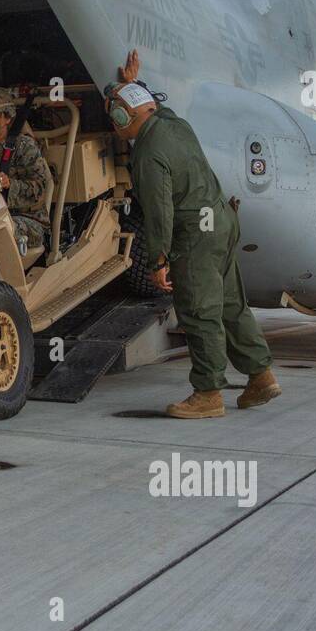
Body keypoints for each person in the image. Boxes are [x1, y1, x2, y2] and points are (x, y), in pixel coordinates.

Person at [108, 50, 279, 418]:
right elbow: (151, 106)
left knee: (200, 312)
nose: (114, 122)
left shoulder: (147, 154)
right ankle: (260, 376)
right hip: (221, 221)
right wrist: (132, 84)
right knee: (232, 306)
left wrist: (158, 259)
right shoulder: (173, 124)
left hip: (196, 235)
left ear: (126, 116)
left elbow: (159, 212)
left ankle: (208, 394)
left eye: (116, 114)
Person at [0, 86, 53, 254]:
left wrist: (9, 184)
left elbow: (39, 188)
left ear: (7, 118)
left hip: (26, 220)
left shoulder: (23, 146)